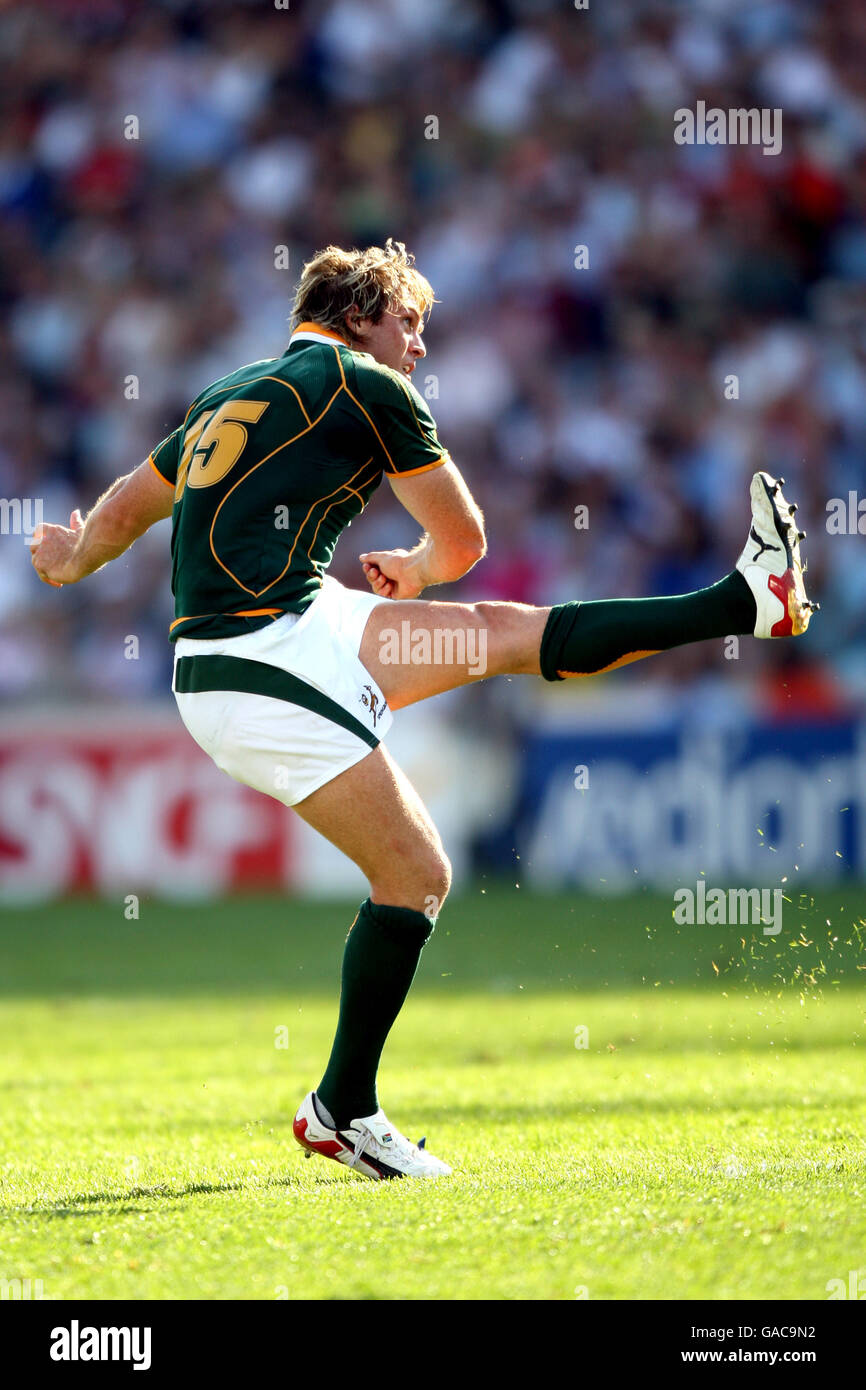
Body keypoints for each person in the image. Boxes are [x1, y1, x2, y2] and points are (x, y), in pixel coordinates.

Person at [29, 240, 816, 1181]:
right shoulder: (368, 384)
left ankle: (747, 601)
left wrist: (74, 557)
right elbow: (465, 537)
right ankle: (342, 1111)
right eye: (409, 323)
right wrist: (420, 565)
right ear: (360, 314)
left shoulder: (227, 391)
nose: (417, 348)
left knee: (505, 635)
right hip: (258, 659)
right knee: (419, 872)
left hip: (276, 633)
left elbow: (125, 509)